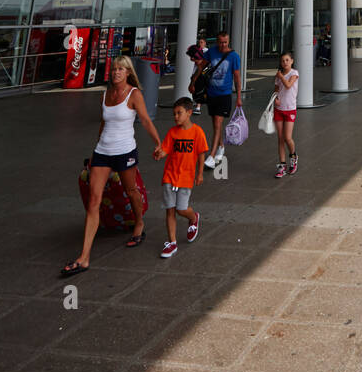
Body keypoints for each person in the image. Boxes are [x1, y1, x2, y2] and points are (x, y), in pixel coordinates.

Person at [61, 55, 161, 277]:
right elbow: (104, 123)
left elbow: (145, 120)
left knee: (131, 190)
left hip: (125, 151)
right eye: (114, 69)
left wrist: (158, 143)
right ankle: (84, 257)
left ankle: (139, 223)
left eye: (121, 69)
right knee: (93, 201)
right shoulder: (105, 95)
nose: (116, 72)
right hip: (103, 153)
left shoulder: (134, 94)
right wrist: (94, 152)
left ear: (128, 73)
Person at [153, 96, 208, 258]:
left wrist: (199, 174)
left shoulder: (197, 132)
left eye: (179, 113)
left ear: (189, 113)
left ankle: (193, 217)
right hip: (170, 176)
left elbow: (201, 154)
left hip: (186, 178)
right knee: (170, 210)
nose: (176, 117)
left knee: (181, 209)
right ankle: (172, 242)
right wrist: (158, 154)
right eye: (174, 114)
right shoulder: (172, 133)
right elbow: (165, 150)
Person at [201, 31, 242, 169]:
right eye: (220, 42)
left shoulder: (234, 56)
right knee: (215, 124)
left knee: (218, 123)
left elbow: (237, 77)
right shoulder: (211, 52)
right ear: (217, 41)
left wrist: (239, 97)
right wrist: (193, 81)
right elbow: (203, 67)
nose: (223, 45)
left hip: (224, 94)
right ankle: (221, 147)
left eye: (225, 42)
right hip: (211, 93)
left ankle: (211, 157)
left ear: (228, 41)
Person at [273, 51, 299, 179]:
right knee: (280, 138)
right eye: (283, 61)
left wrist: (280, 76)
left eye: (287, 60)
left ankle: (293, 156)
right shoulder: (279, 75)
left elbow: (288, 85)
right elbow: (277, 90)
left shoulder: (294, 73)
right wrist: (276, 98)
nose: (285, 63)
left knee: (288, 137)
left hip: (290, 109)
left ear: (292, 61)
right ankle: (282, 165)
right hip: (279, 108)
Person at [187, 35, 208, 113]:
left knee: (199, 88)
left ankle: (198, 107)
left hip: (201, 73)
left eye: (202, 42)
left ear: (205, 43)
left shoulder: (206, 51)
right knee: (195, 89)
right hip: (196, 72)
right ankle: (197, 103)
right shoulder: (197, 51)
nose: (200, 43)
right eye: (199, 42)